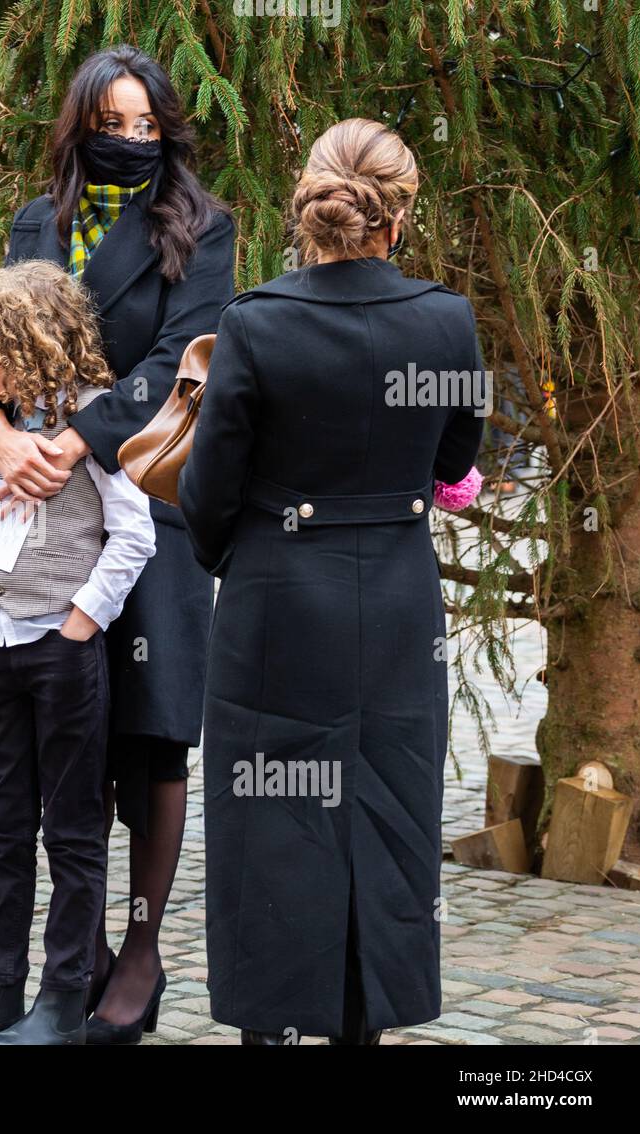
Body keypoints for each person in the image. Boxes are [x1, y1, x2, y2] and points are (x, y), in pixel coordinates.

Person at [178, 117, 487, 1045]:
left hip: (277, 598)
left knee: (271, 817)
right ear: (399, 213)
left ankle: (269, 1028)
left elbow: (208, 494)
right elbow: (456, 456)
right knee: (389, 811)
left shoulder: (257, 321)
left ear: (312, 203)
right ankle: (367, 1028)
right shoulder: (447, 318)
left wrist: (249, 556)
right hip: (396, 599)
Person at [0, 45, 236, 1043]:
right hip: (36, 512)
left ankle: (142, 946)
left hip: (145, 500)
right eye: (111, 125)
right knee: (66, 745)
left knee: (151, 732)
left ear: (167, 129)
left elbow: (186, 355)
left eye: (147, 126)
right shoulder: (40, 222)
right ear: (79, 127)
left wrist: (78, 435)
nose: (129, 141)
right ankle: (48, 970)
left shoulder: (202, 228)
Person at [0, 260, 156, 1046]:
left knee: (74, 829)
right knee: (2, 823)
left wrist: (82, 621)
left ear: (26, 344)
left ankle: (64, 995)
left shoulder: (92, 422)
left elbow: (135, 533)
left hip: (60, 648)